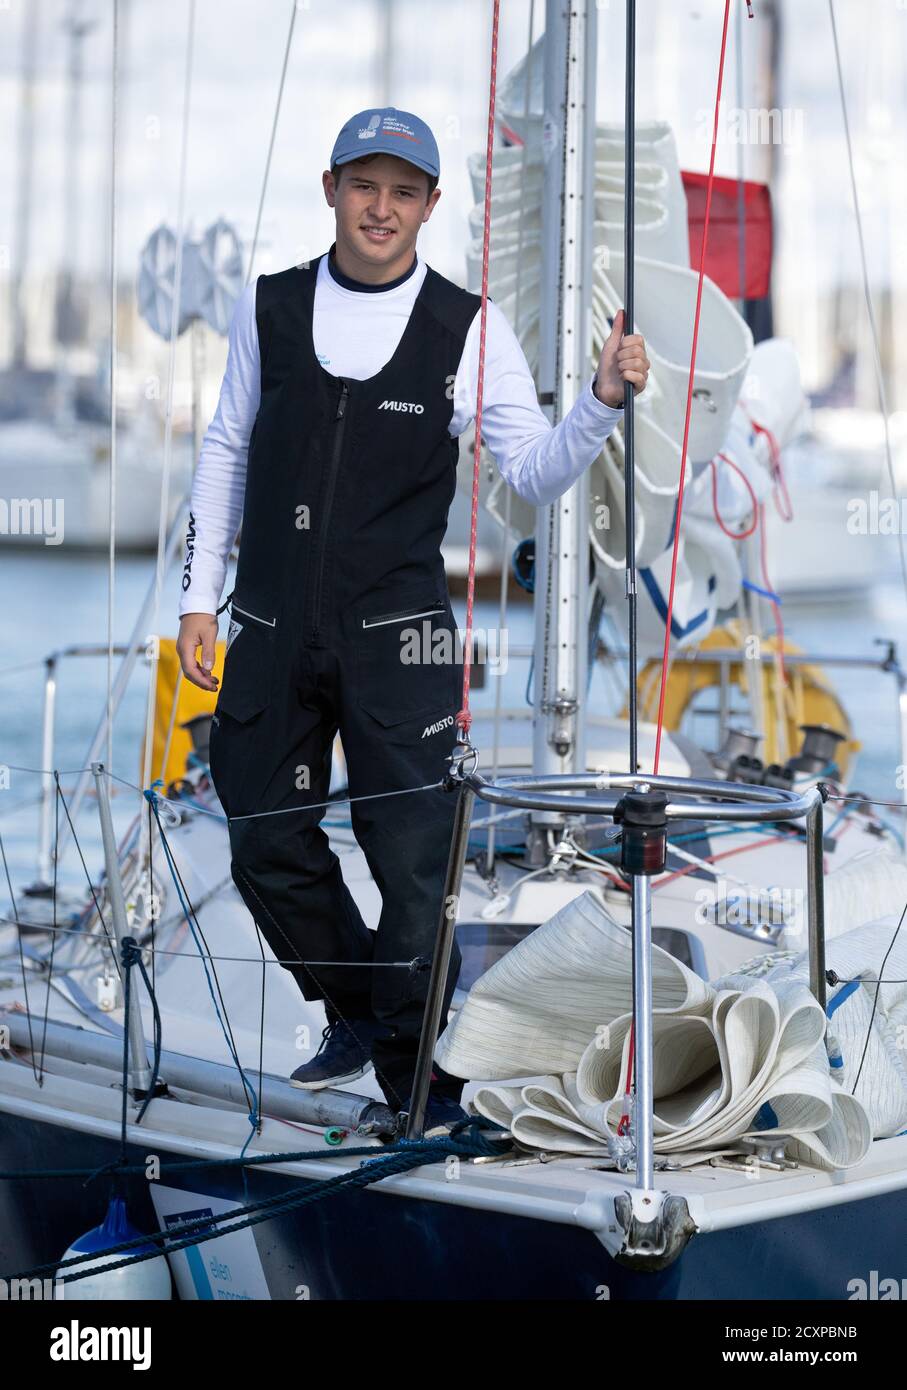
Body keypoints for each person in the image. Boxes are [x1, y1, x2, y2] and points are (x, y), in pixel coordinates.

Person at [177, 106, 649, 1135]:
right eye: (364, 185)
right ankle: (361, 1011)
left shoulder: (467, 327)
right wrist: (195, 597)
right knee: (263, 841)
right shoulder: (270, 308)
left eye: (403, 191)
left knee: (413, 863)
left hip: (399, 637)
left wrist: (602, 401)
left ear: (430, 205)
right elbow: (224, 452)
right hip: (264, 618)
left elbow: (530, 467)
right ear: (332, 187)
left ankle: (408, 1083)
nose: (380, 208)